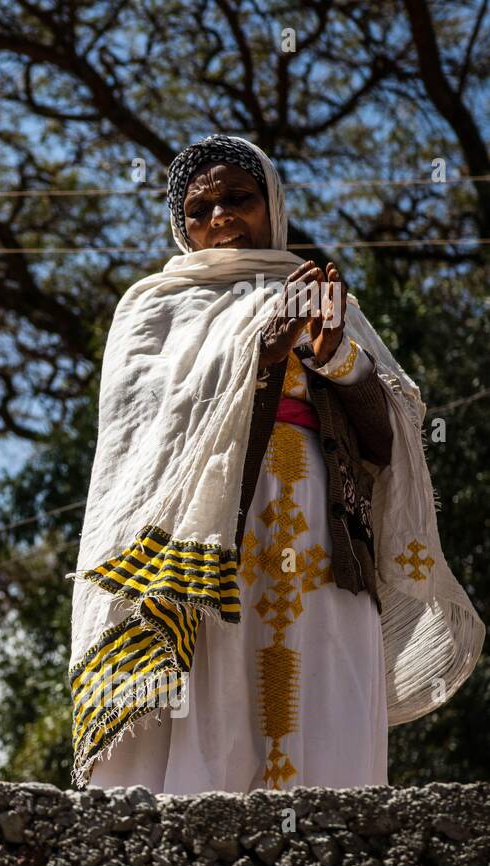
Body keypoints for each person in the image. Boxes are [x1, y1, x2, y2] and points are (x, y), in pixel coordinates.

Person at [68, 133, 483, 794]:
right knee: (215, 710)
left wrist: (336, 358)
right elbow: (141, 445)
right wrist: (258, 354)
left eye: (238, 199)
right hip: (207, 546)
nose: (221, 219)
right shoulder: (151, 309)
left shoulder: (324, 299)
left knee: (329, 710)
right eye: (199, 212)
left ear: (273, 205)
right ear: (183, 229)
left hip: (328, 535)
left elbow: (389, 447)